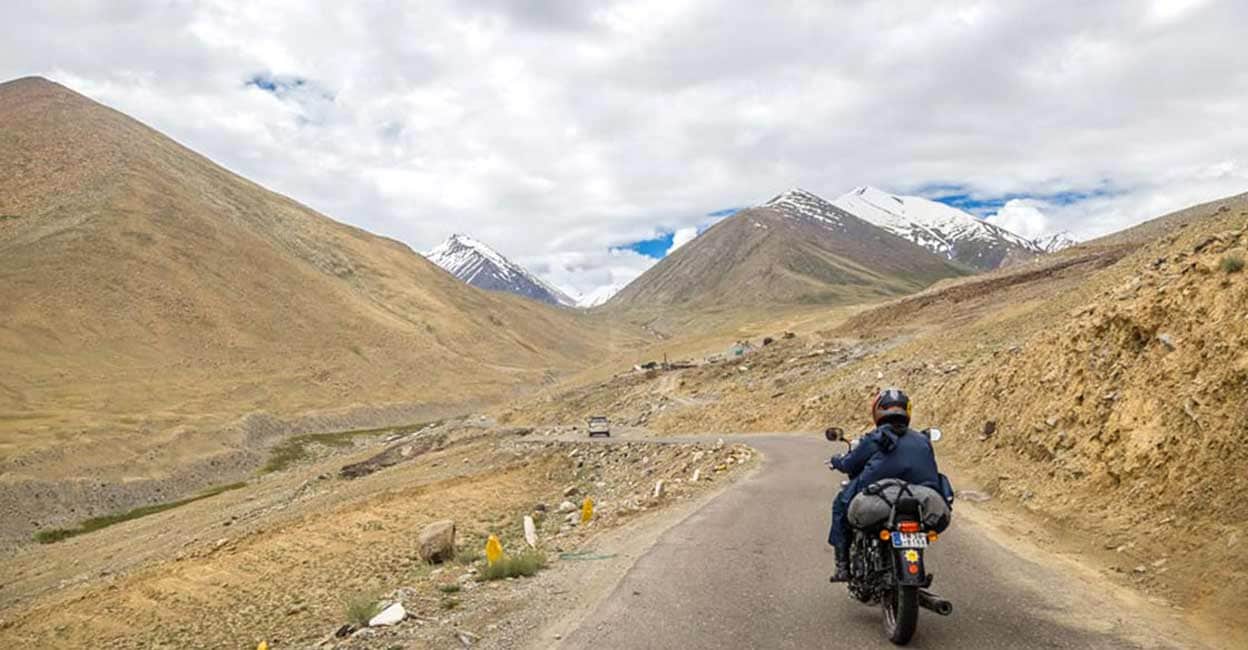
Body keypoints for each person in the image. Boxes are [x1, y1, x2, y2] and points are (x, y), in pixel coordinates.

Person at [827, 388, 941, 583]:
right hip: (921, 500)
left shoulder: (875, 438)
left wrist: (836, 460)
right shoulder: (922, 440)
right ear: (907, 411)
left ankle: (842, 566)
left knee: (840, 505)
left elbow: (849, 464)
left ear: (878, 411)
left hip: (880, 498)